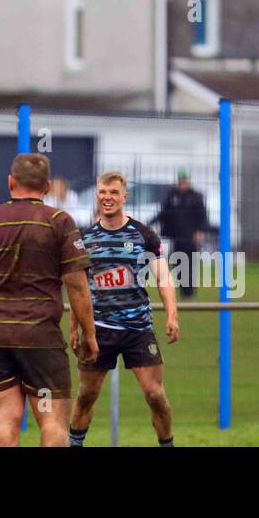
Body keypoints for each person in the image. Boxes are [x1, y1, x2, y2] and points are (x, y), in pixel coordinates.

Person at [0, 153, 97, 447]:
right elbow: (77, 284)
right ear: (47, 187)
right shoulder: (59, 221)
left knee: (5, 418)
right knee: (51, 421)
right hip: (40, 339)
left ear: (10, 182)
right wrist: (90, 333)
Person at [70, 171, 179, 447]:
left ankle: (167, 443)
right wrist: (75, 326)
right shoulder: (84, 238)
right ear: (97, 195)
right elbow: (78, 287)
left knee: (155, 395)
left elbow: (164, 277)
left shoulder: (143, 234)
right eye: (103, 192)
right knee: (86, 396)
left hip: (138, 329)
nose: (108, 198)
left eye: (114, 193)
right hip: (98, 330)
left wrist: (172, 315)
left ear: (124, 197)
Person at [153, 171, 208, 297]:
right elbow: (164, 213)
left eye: (185, 181)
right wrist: (152, 222)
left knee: (189, 264)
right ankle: (182, 290)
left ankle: (189, 292)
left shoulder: (196, 197)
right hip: (176, 237)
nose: (183, 184)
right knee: (177, 263)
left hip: (190, 237)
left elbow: (203, 216)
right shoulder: (173, 196)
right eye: (181, 181)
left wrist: (200, 230)